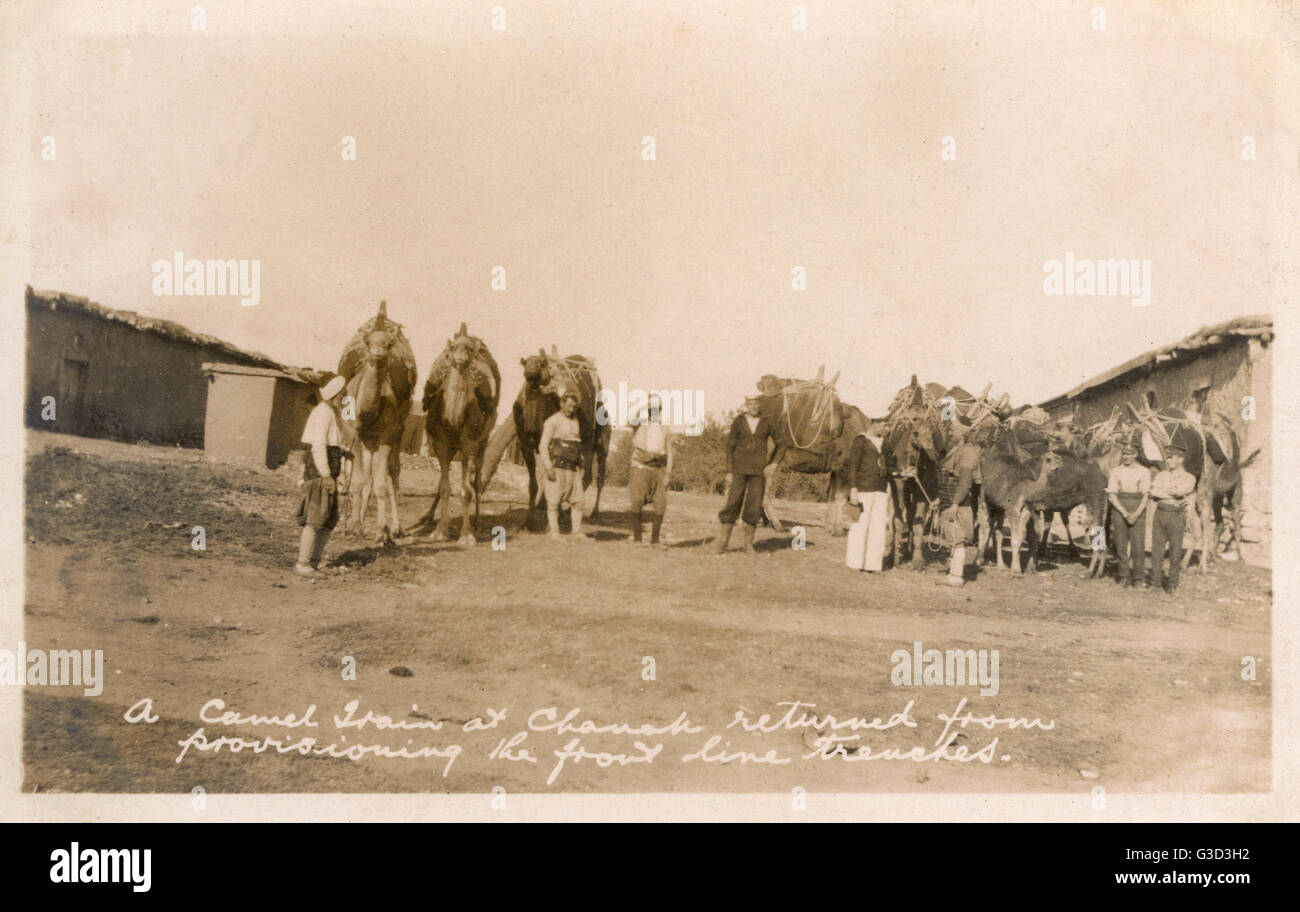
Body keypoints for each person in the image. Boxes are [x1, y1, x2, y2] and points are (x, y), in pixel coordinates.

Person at [295, 374, 348, 578]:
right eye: (342, 393)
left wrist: (342, 452)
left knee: (327, 520)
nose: (344, 396)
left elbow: (329, 443)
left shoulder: (330, 412)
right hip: (319, 475)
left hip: (328, 473)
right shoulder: (323, 413)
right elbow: (318, 446)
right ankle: (303, 563)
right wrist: (326, 475)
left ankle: (315, 562)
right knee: (316, 519)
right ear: (334, 393)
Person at [716, 393, 775, 554]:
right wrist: (729, 470)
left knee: (754, 505)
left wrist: (773, 463)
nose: (754, 406)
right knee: (733, 502)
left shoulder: (767, 421)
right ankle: (722, 544)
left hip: (758, 471)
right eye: (750, 403)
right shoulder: (739, 421)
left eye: (756, 403)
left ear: (760, 405)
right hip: (738, 469)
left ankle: (748, 545)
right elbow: (729, 446)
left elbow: (782, 443)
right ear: (746, 405)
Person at [936, 419, 982, 587]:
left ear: (962, 433)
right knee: (954, 537)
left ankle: (956, 577)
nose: (950, 433)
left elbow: (964, 483)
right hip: (948, 499)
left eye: (953, 430)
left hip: (958, 503)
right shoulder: (955, 450)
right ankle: (954, 574)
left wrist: (955, 504)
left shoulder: (967, 453)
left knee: (958, 538)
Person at [539, 389, 587, 541]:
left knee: (578, 501)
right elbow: (543, 446)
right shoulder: (552, 421)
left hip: (572, 468)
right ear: (562, 403)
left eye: (574, 407)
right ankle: (554, 532)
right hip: (557, 466)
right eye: (569, 406)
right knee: (553, 501)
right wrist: (548, 467)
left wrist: (582, 465)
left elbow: (577, 444)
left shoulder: (575, 421)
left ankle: (577, 531)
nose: (571, 409)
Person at [1149, 443, 1197, 594]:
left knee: (1175, 551)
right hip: (1161, 512)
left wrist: (1165, 491)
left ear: (1180, 459)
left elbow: (1180, 491)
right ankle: (1155, 584)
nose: (1167, 460)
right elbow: (1153, 492)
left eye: (1170, 457)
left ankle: (1172, 585)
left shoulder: (1189, 478)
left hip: (1176, 515)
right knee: (1157, 550)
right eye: (1166, 457)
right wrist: (1172, 495)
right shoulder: (1162, 474)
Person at [628, 394, 674, 545]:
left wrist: (668, 473)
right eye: (651, 410)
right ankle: (637, 538)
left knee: (661, 503)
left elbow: (669, 450)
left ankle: (655, 539)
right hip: (641, 466)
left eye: (657, 409)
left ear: (660, 411)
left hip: (659, 468)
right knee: (637, 501)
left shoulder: (664, 428)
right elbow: (630, 419)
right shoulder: (639, 424)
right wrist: (643, 406)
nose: (654, 412)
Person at [845, 430, 890, 573]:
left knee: (878, 527)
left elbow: (887, 467)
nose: (886, 427)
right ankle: (854, 562)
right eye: (884, 424)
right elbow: (852, 467)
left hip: (881, 490)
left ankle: (873, 564)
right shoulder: (861, 440)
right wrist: (853, 488)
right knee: (859, 525)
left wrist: (901, 473)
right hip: (864, 489)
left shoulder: (885, 442)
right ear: (875, 422)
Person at [1106, 442, 1151, 587]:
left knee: (1138, 545)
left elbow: (1145, 495)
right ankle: (1123, 576)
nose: (1126, 457)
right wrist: (1125, 513)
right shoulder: (1116, 471)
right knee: (1120, 544)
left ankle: (1138, 578)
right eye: (1124, 454)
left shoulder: (1144, 471)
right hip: (1120, 507)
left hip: (1138, 506)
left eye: (1129, 454)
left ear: (1135, 455)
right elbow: (1112, 495)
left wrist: (1136, 514)